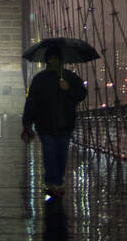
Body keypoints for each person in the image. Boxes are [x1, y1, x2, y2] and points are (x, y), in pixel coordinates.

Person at [21, 46, 87, 199]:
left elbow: (81, 94)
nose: (53, 61)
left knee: (61, 155)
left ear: (60, 61)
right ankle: (53, 183)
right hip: (45, 125)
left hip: (65, 124)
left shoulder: (70, 77)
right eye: (50, 59)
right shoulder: (39, 79)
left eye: (55, 59)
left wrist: (68, 88)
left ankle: (56, 182)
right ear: (46, 61)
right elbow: (31, 102)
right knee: (50, 154)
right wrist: (26, 124)